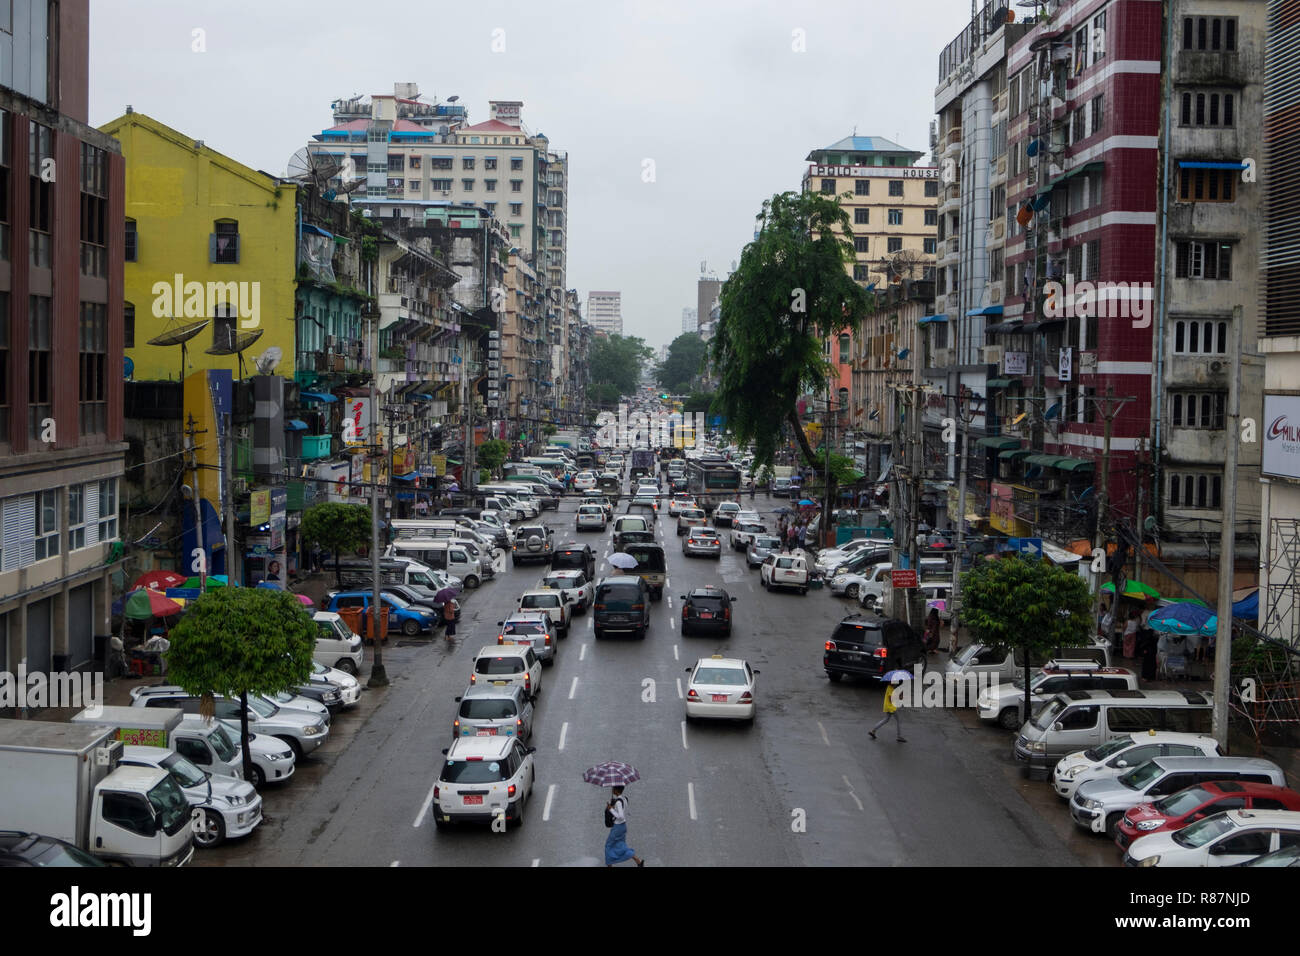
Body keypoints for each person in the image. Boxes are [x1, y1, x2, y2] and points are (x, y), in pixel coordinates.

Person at [604, 786, 644, 867]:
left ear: (616, 790)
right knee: (621, 845)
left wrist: (611, 809)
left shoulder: (618, 802)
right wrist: (613, 805)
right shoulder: (624, 799)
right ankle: (638, 861)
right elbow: (626, 812)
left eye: (613, 788)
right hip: (623, 826)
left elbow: (621, 816)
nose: (612, 790)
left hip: (618, 827)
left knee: (608, 846)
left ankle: (609, 865)